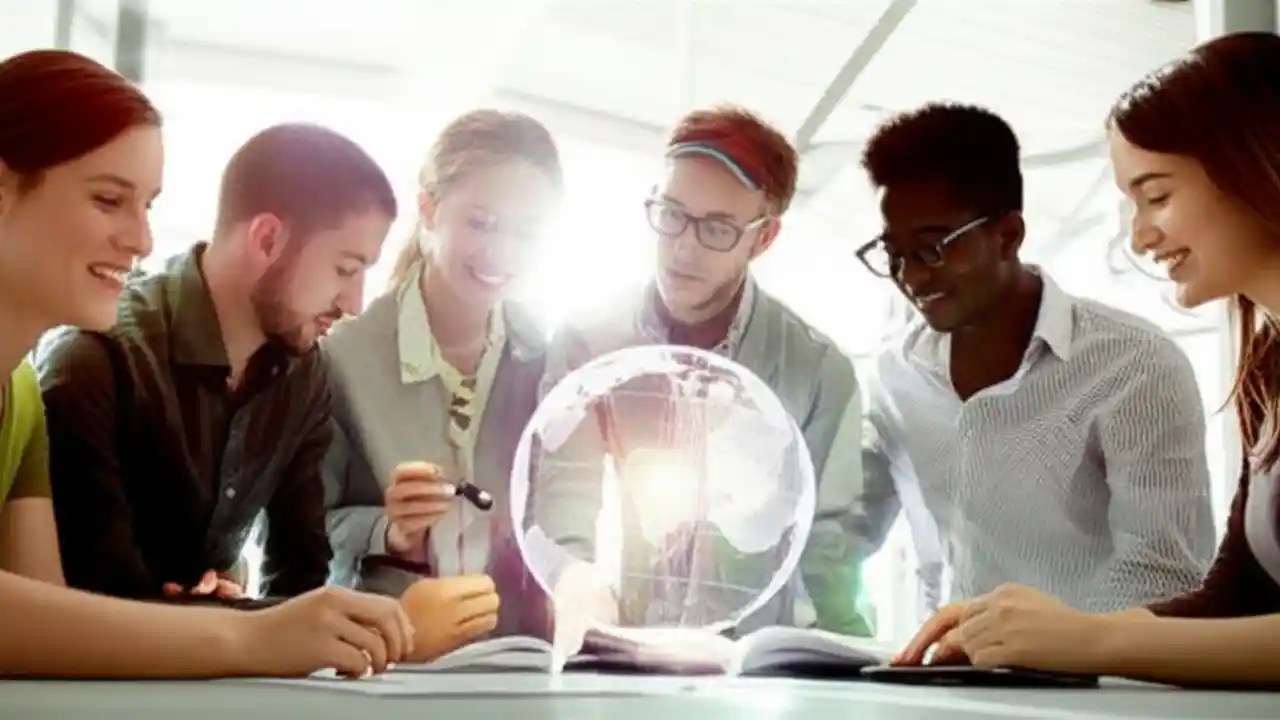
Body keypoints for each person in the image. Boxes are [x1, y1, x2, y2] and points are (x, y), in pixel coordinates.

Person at [0, 48, 409, 679]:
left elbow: (48, 632)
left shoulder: (20, 392)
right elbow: (61, 619)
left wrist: (236, 620)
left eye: (148, 206)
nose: (141, 240)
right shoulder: (86, 365)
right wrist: (239, 633)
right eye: (109, 200)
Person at [892, 32, 1280, 688]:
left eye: (1156, 196)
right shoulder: (1266, 375)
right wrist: (1027, 631)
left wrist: (1093, 639)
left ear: (1258, 165)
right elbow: (1233, 602)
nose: (1140, 233)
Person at [853, 103, 1214, 623]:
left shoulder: (1133, 366)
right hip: (955, 681)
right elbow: (849, 525)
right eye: (893, 253)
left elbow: (1164, 570)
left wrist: (1056, 649)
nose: (910, 277)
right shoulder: (896, 374)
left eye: (932, 249)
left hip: (1106, 687)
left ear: (1008, 236)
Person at [537, 105, 872, 637]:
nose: (683, 248)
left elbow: (827, 555)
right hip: (619, 652)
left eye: (717, 229)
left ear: (763, 238)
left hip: (757, 673)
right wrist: (576, 582)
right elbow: (561, 498)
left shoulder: (817, 372)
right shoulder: (589, 343)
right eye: (671, 214)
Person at [34, 120, 396, 601]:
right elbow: (98, 593)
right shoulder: (96, 359)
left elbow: (301, 580)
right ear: (266, 239)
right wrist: (233, 622)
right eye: (344, 270)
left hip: (211, 663)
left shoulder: (306, 372)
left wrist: (251, 620)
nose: (353, 303)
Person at [323, 109, 562, 655]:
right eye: (480, 223)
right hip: (380, 659)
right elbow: (297, 541)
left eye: (526, 232)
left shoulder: (545, 358)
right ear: (428, 209)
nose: (501, 252)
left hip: (515, 660)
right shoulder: (342, 354)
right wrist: (390, 531)